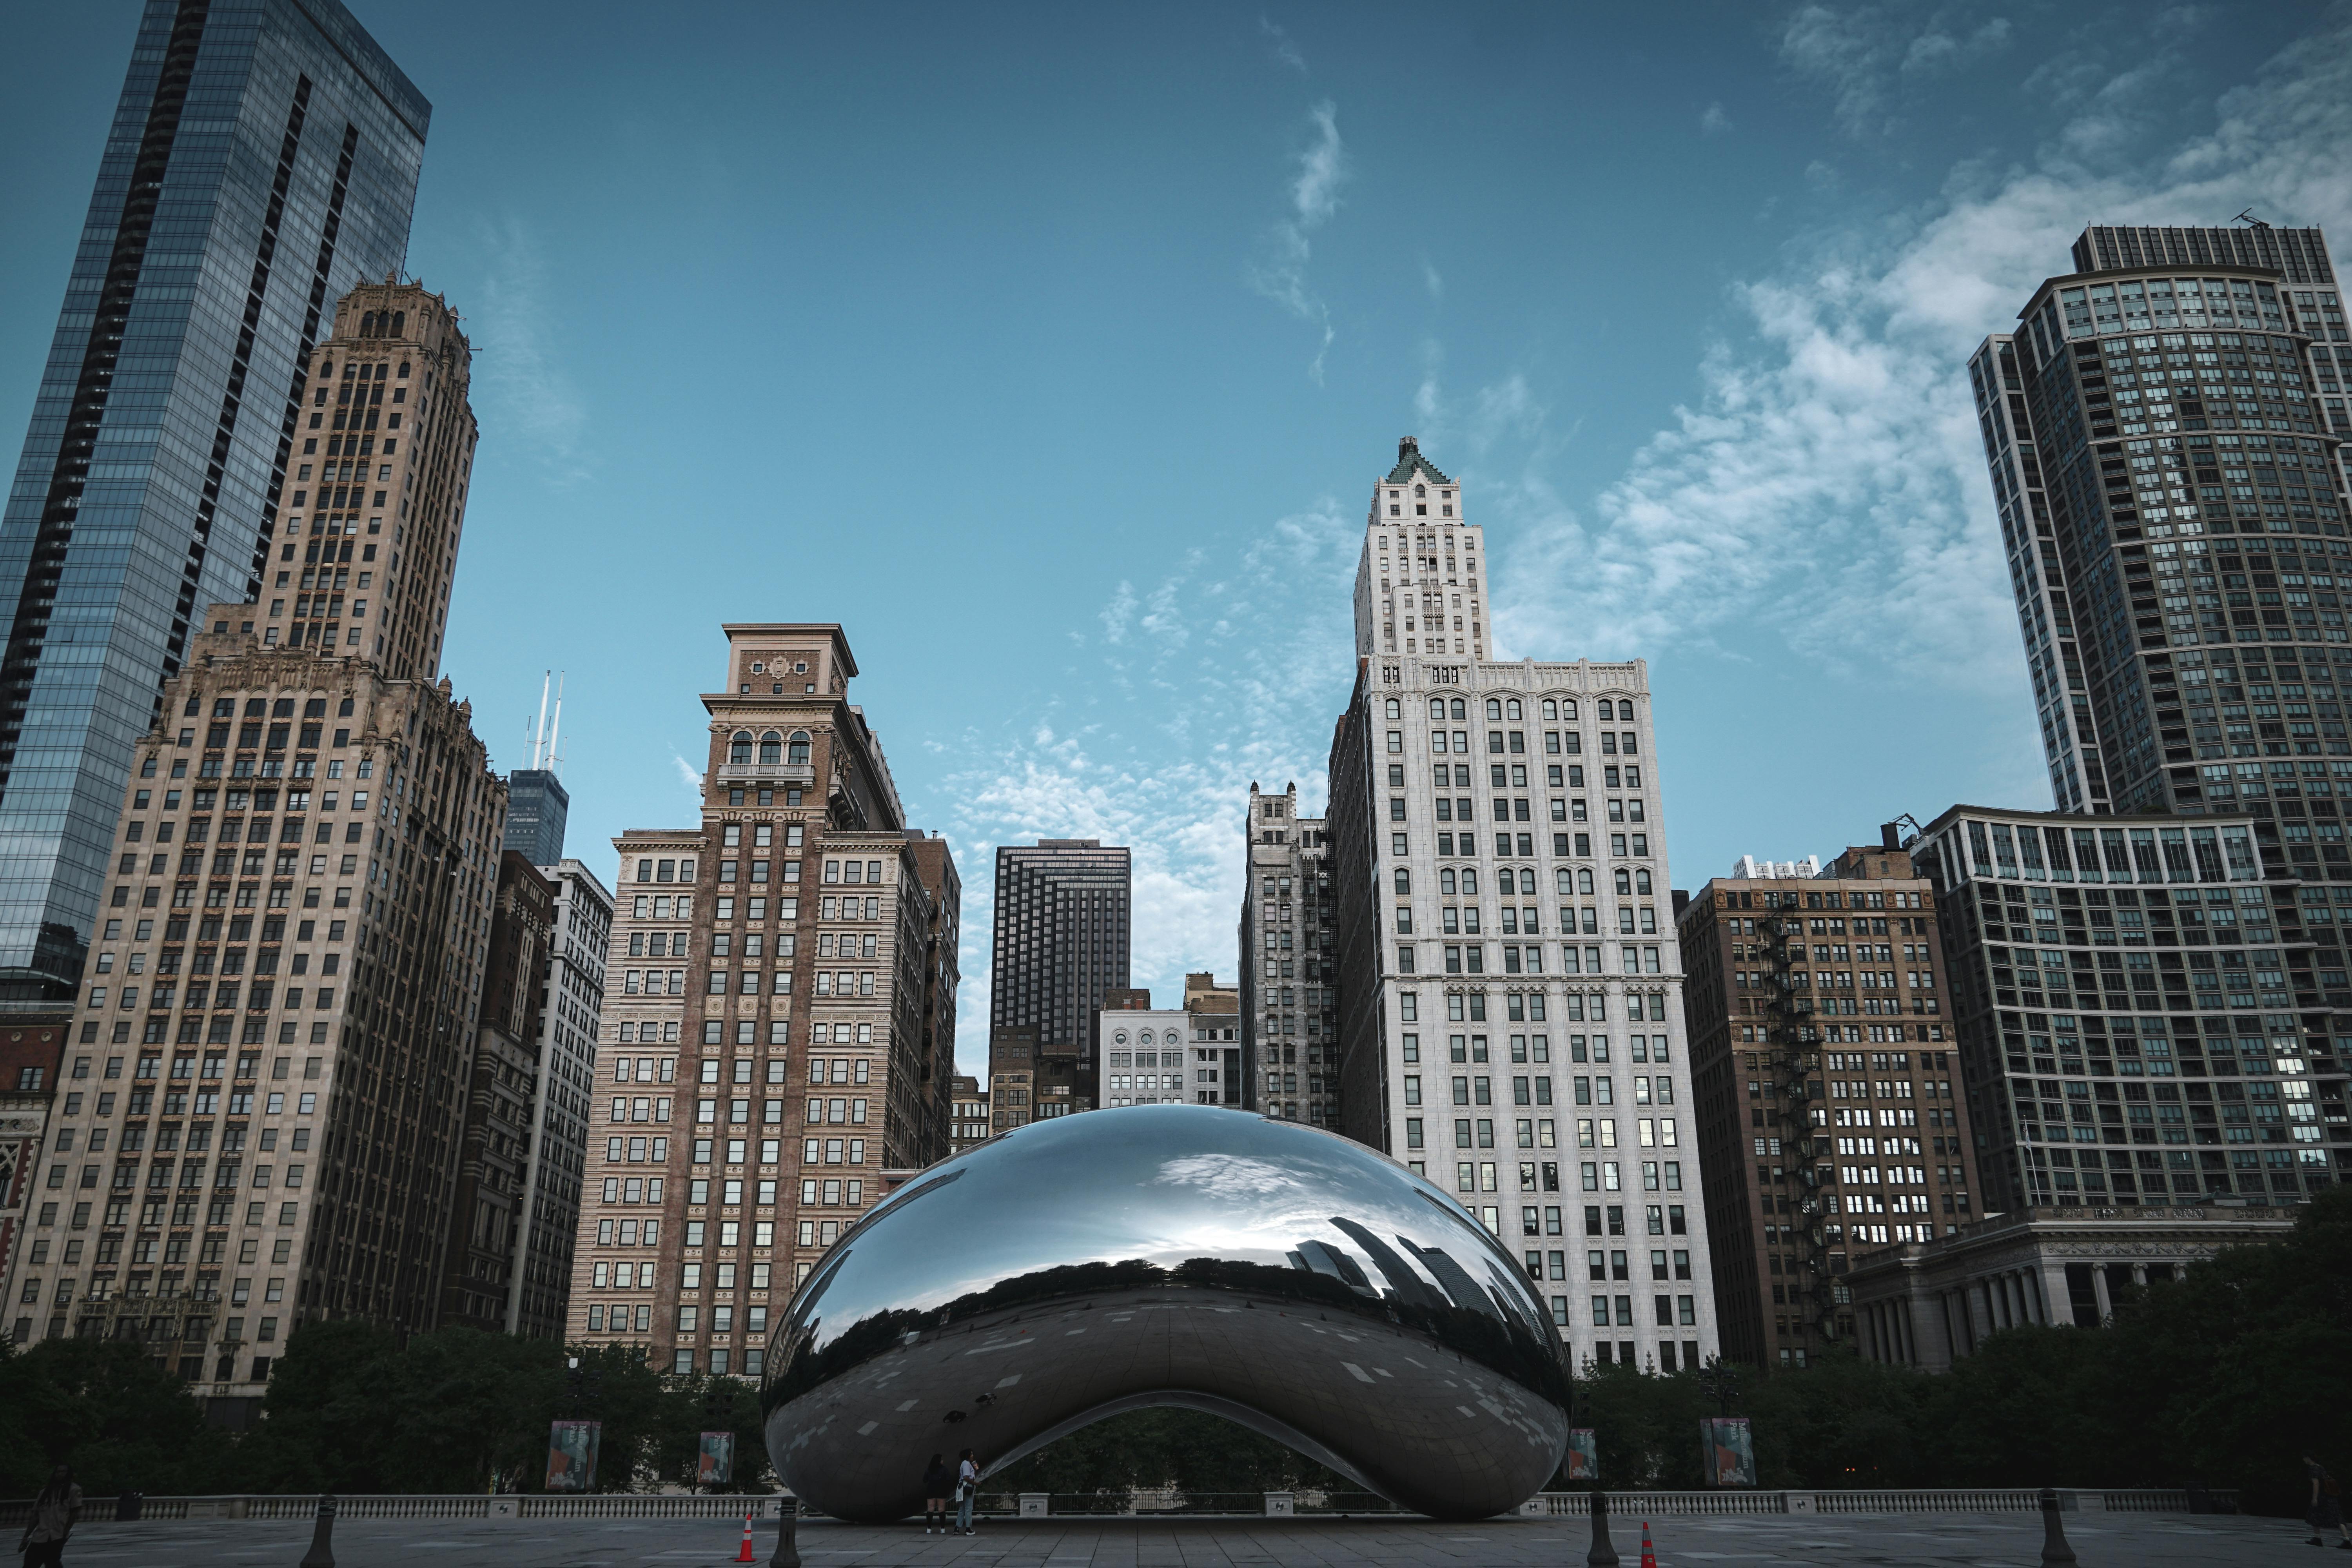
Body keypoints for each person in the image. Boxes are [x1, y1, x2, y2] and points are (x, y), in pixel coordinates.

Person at [17, 1464, 82, 1568]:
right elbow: (36, 1516)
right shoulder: (45, 1492)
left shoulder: (74, 1490)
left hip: (57, 1535)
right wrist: (26, 1536)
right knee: (30, 1563)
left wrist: (65, 1532)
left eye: (63, 1471)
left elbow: (74, 1513)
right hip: (40, 1535)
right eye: (58, 1472)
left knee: (53, 1563)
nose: (60, 1474)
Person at [2308, 1454, 2350, 1549]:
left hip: (2322, 1497)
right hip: (2331, 1496)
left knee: (2315, 1515)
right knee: (2338, 1517)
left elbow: (2316, 1484)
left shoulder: (2313, 1469)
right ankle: (2346, 1540)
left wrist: (2315, 1498)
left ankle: (2317, 1538)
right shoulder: (2321, 1468)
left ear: (2308, 1458)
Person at [921, 1453, 953, 1535]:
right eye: (942, 1459)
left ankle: (929, 1528)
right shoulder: (944, 1469)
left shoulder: (929, 1469)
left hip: (931, 1490)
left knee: (930, 1510)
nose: (943, 1461)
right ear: (939, 1461)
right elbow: (949, 1479)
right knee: (941, 1510)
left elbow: (925, 1480)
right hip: (941, 1491)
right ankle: (943, 1528)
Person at [954, 1448, 980, 1536]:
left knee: (962, 1509)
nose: (973, 1455)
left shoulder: (967, 1464)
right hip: (967, 1487)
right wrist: (975, 1483)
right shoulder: (966, 1464)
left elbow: (977, 1469)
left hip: (963, 1487)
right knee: (968, 1508)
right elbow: (966, 1477)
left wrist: (975, 1465)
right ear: (967, 1455)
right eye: (971, 1454)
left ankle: (957, 1527)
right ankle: (968, 1528)